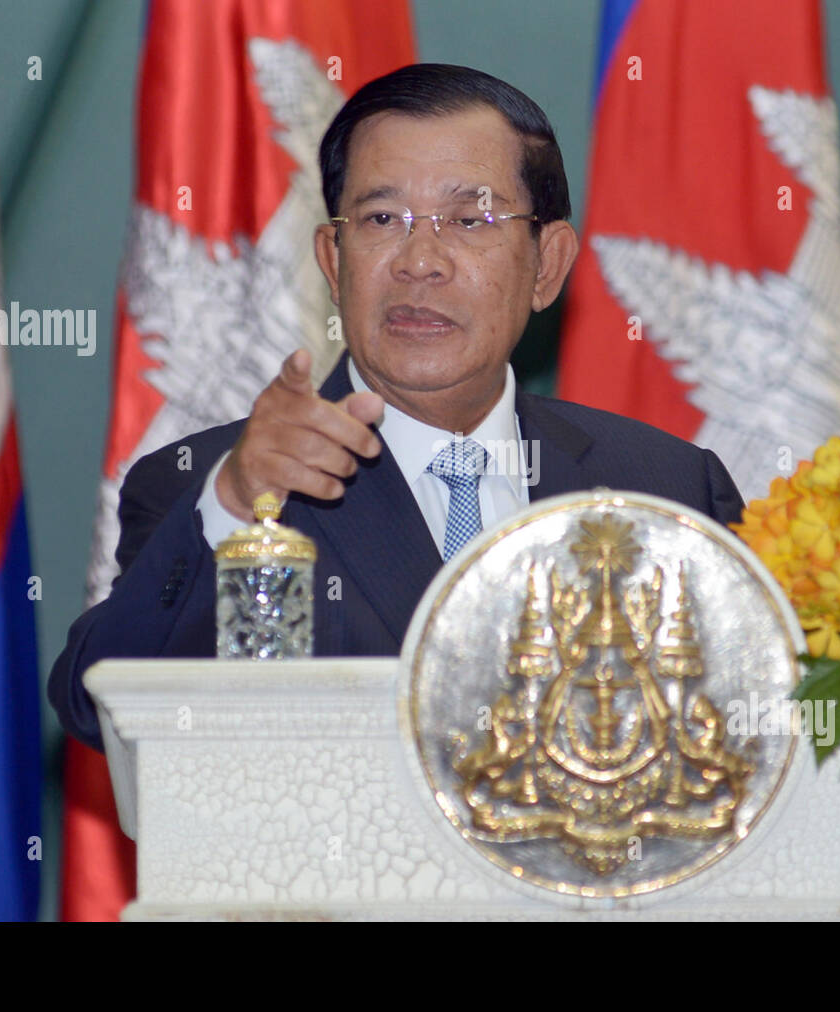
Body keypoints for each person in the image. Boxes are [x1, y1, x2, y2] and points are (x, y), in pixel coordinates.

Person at [49, 64, 744, 752]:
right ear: (333, 258)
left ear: (548, 266)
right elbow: (98, 707)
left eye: (470, 220)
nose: (420, 260)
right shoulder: (214, 485)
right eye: (383, 218)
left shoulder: (667, 491)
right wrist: (232, 507)